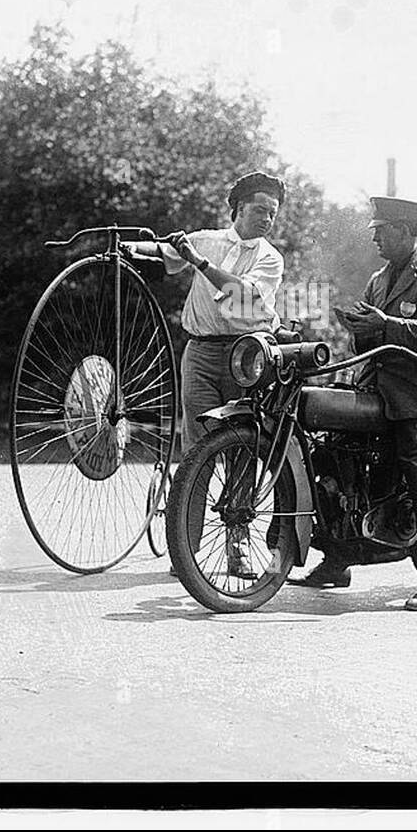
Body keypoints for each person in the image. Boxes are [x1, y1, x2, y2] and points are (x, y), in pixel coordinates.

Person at [292, 195, 417, 611]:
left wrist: (385, 324)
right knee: (336, 460)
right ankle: (338, 561)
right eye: (374, 233)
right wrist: (359, 328)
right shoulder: (379, 279)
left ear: (406, 232)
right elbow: (371, 340)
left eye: (382, 232)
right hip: (377, 393)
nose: (376, 241)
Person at [123, 171, 287, 577]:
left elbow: (242, 295)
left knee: (242, 449)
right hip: (199, 352)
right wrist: (128, 247)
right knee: (196, 448)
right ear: (238, 209)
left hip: (246, 357)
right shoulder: (207, 238)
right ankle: (187, 548)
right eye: (259, 210)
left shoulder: (269, 257)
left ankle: (238, 544)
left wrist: (199, 262)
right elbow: (165, 252)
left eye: (273, 213)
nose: (267, 219)